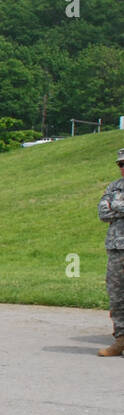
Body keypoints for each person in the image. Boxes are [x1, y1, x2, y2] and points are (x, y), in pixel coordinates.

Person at [96, 149, 124, 356]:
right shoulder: (114, 186)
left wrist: (115, 205)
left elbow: (110, 207)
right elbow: (102, 212)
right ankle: (120, 340)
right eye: (120, 165)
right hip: (117, 249)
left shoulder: (114, 193)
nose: (122, 168)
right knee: (117, 296)